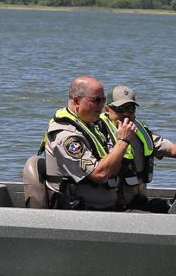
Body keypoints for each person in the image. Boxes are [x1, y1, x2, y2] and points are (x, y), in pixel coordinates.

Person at [40, 75, 137, 210]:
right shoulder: (65, 136)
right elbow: (100, 174)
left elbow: (113, 168)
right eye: (96, 100)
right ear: (77, 101)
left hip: (108, 209)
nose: (102, 106)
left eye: (103, 100)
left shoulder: (93, 127)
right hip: (82, 213)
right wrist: (123, 140)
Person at [101, 86, 176, 213]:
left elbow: (172, 149)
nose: (126, 114)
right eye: (120, 109)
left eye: (130, 109)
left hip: (137, 200)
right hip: (115, 207)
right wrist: (123, 140)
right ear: (107, 109)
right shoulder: (100, 131)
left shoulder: (139, 131)